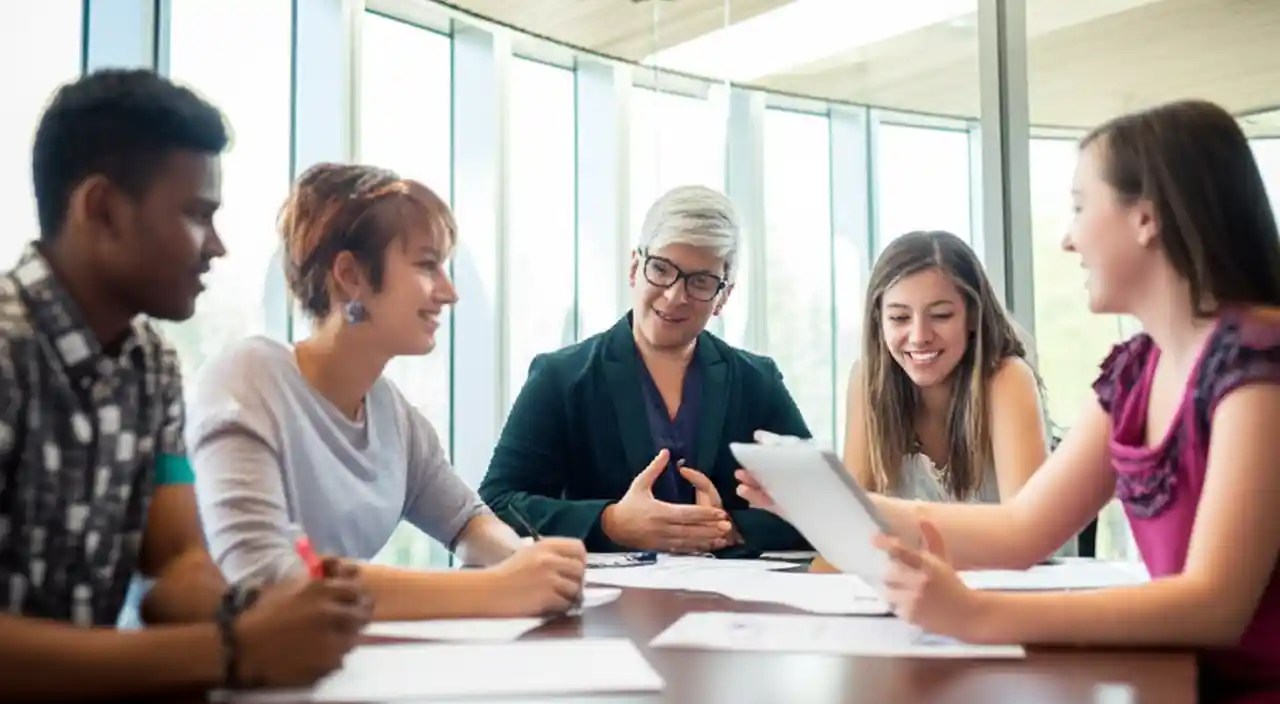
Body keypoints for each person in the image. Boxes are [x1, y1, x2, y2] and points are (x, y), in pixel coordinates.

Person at [738, 99, 1280, 704]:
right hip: (1183, 686)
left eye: (1079, 207)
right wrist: (828, 501)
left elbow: (1214, 604)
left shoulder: (1258, 363)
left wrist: (976, 613)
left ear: (1146, 219)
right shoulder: (1137, 370)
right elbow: (1023, 527)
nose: (1068, 237)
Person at [0, 70, 371, 704]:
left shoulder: (151, 365)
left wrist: (267, 605)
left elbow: (174, 565)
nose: (217, 246)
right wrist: (236, 649)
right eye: (198, 215)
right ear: (102, 209)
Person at [188, 162, 586, 621]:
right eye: (426, 265)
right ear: (351, 275)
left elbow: (466, 521)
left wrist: (530, 565)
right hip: (215, 677)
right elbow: (264, 576)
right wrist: (499, 588)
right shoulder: (248, 378)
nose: (449, 292)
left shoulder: (391, 412)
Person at [479, 185, 810, 555]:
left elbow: (820, 509)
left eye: (700, 282)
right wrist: (611, 523)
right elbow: (496, 504)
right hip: (603, 605)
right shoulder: (561, 377)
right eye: (662, 269)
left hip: (727, 603)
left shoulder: (757, 381)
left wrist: (729, 527)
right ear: (635, 268)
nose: (674, 295)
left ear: (724, 296)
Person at [846, 230, 1047, 503]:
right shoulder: (866, 379)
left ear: (973, 316)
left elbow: (1029, 534)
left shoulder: (1008, 379)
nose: (919, 336)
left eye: (941, 315)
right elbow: (852, 513)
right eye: (899, 317)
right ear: (878, 320)